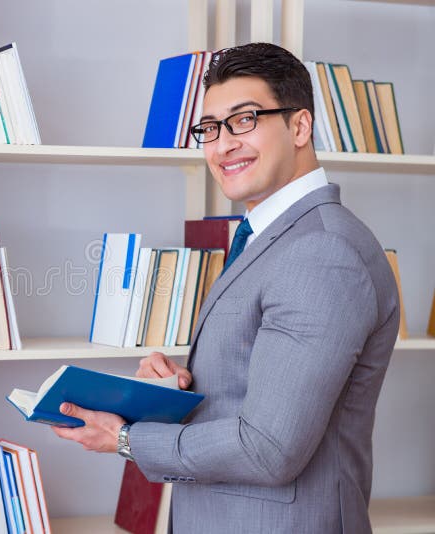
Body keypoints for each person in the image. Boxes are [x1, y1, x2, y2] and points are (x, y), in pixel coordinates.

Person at [53, 42, 400, 533]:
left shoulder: (322, 253)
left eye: (244, 120)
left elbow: (269, 449)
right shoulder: (272, 237)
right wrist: (170, 390)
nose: (222, 145)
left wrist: (127, 439)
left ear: (300, 126)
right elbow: (249, 386)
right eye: (210, 128)